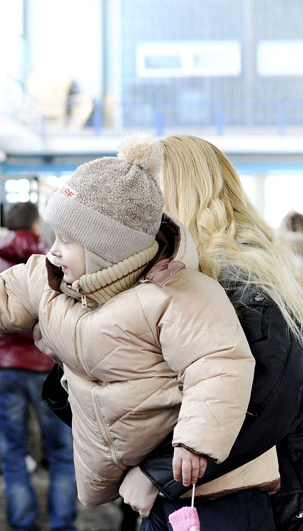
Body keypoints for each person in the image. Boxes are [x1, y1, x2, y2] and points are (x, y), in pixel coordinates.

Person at [0, 136, 280, 528]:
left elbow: (217, 365)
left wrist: (193, 443)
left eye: (67, 241)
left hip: (201, 488)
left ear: (106, 250)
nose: (52, 251)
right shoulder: (58, 283)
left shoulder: (177, 295)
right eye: (53, 236)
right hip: (138, 479)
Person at [113, 135, 303, 530]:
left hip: (234, 496)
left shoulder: (240, 280)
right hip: (211, 490)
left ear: (177, 191)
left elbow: (264, 400)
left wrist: (157, 474)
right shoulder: (198, 273)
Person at [0, 202, 77, 531]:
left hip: (6, 371)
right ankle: (63, 524)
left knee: (12, 451)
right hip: (49, 372)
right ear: (37, 226)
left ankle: (22, 523)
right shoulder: (54, 265)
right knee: (61, 453)